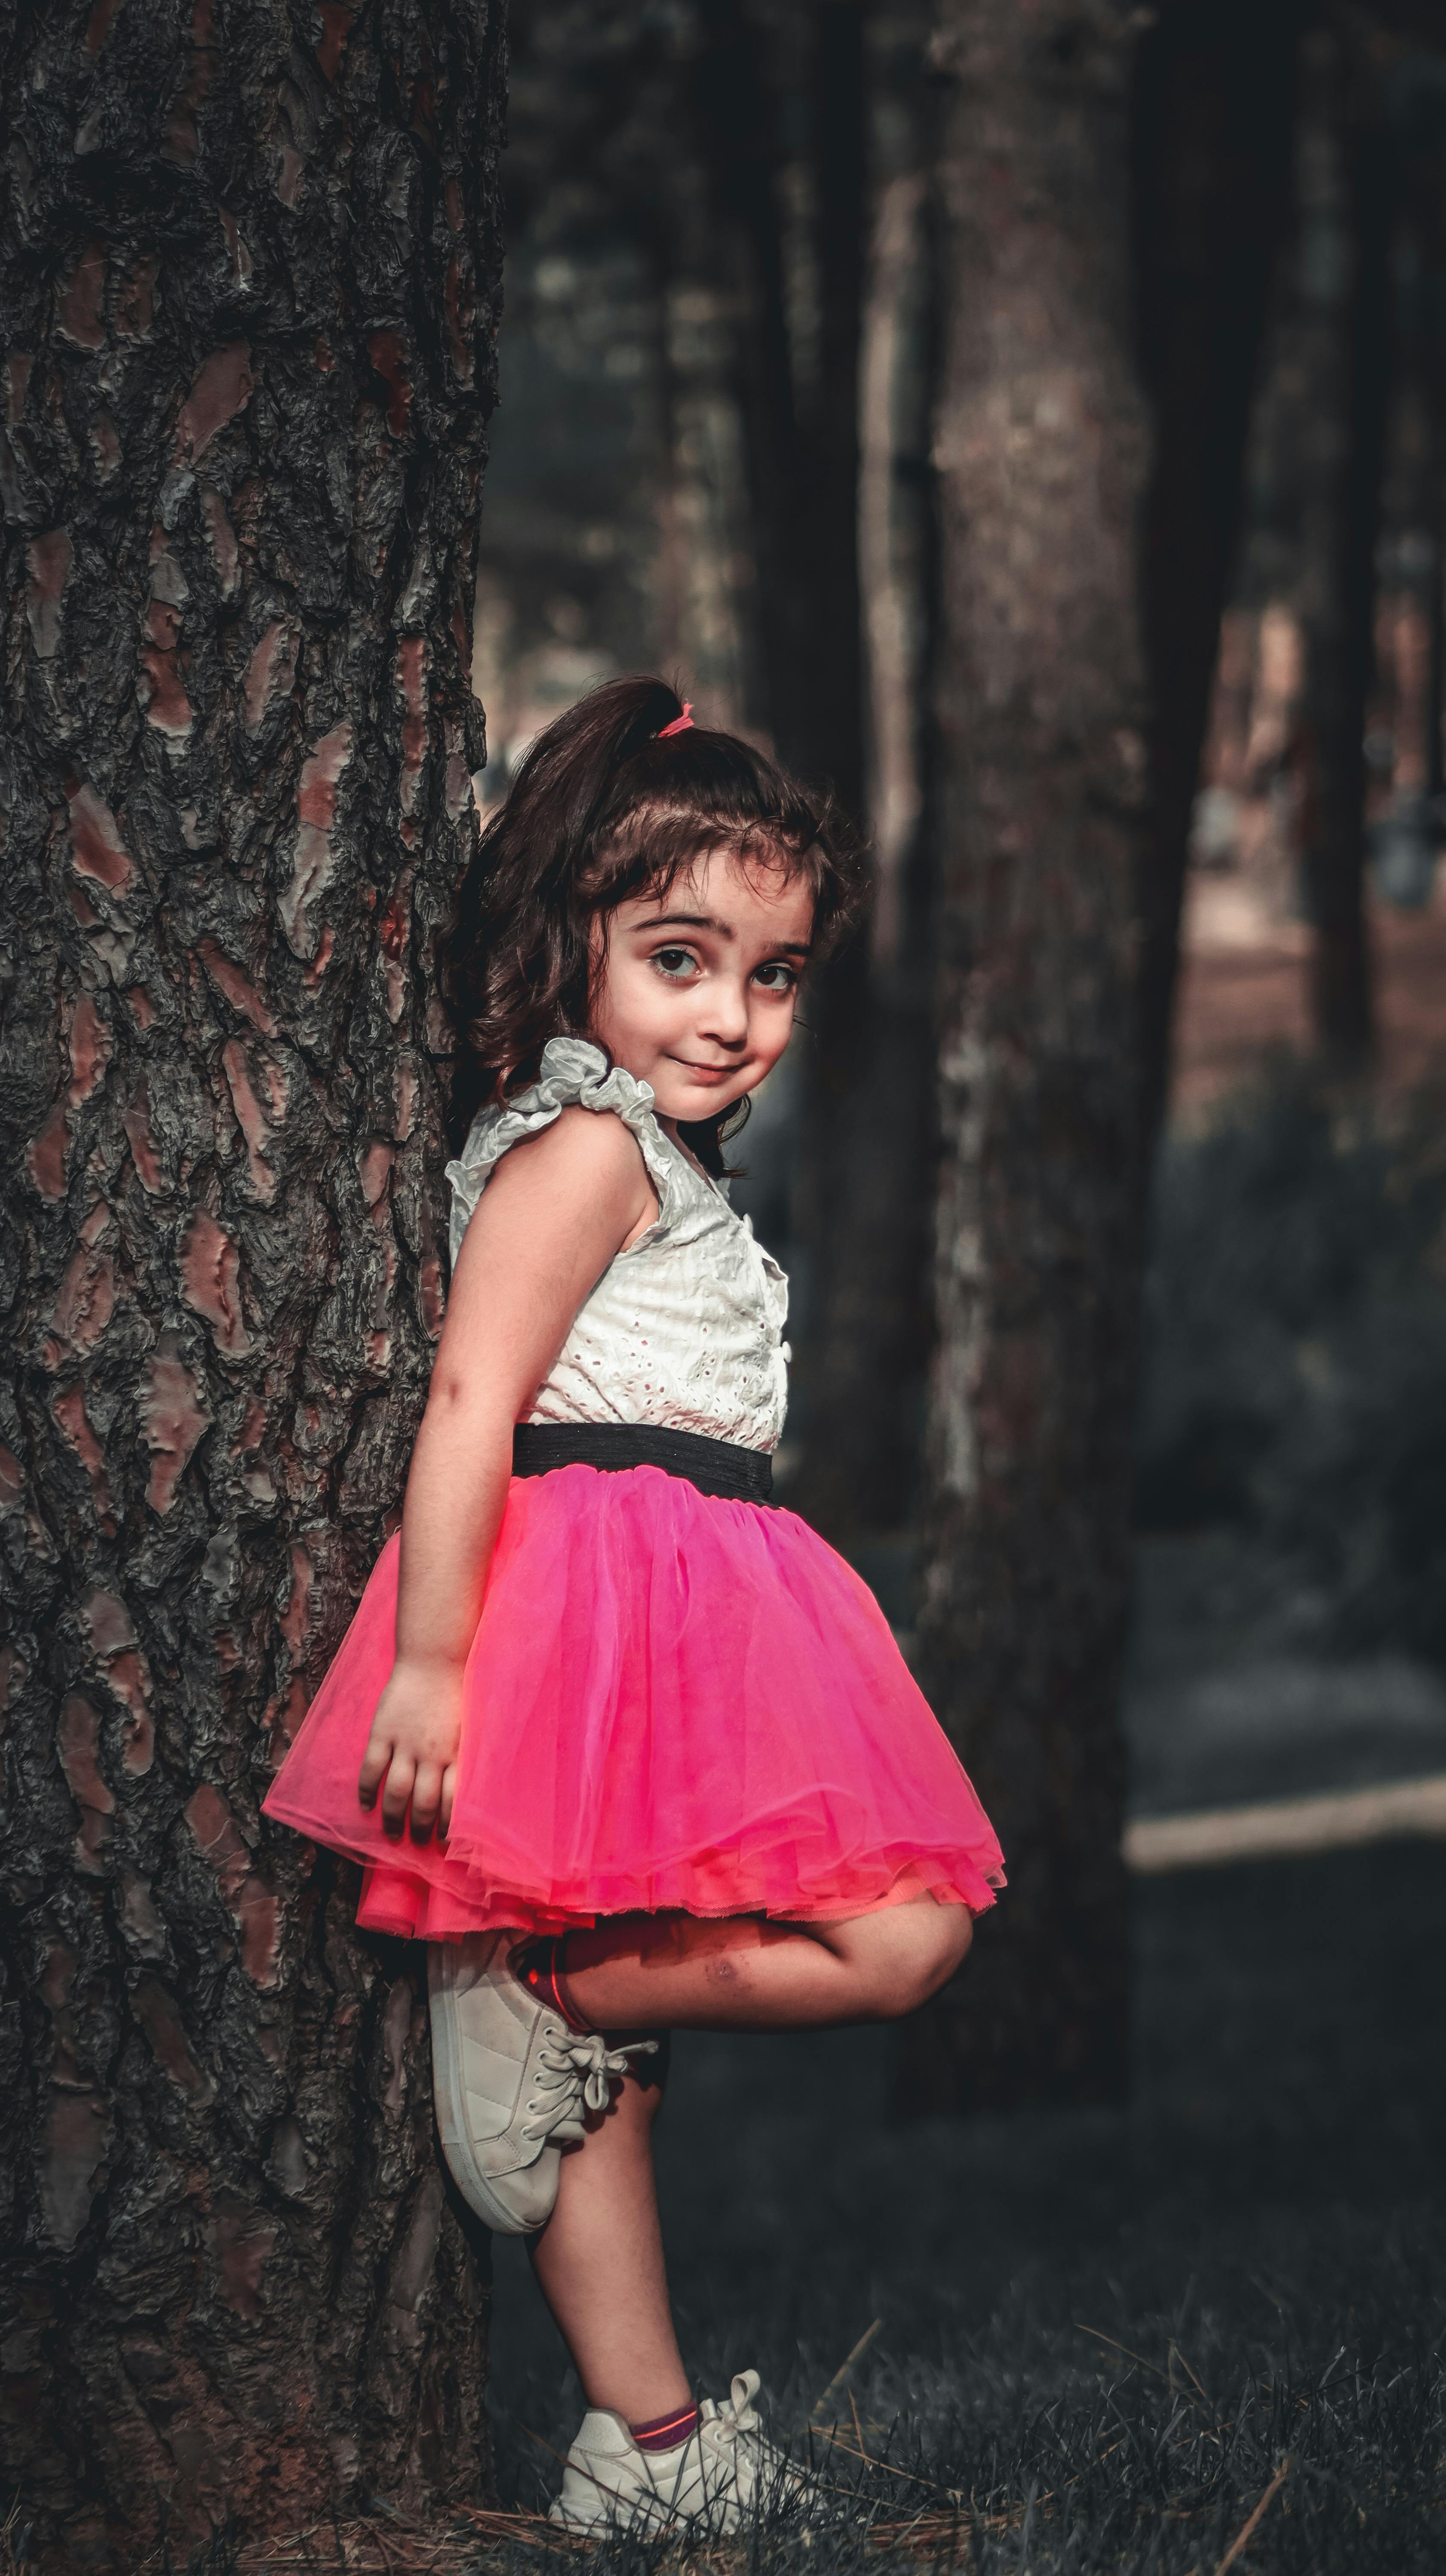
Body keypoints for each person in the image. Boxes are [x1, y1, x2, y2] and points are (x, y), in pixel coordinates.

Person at [262, 677, 1006, 2534]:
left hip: (683, 1629)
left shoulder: (657, 1163)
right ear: (575, 941)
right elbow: (469, 1401)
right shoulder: (581, 1149)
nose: (730, 1015)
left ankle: (645, 2446)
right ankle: (556, 1997)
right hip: (570, 1618)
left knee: (665, 2053)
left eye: (770, 974)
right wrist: (431, 1664)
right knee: (900, 1939)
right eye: (680, 956)